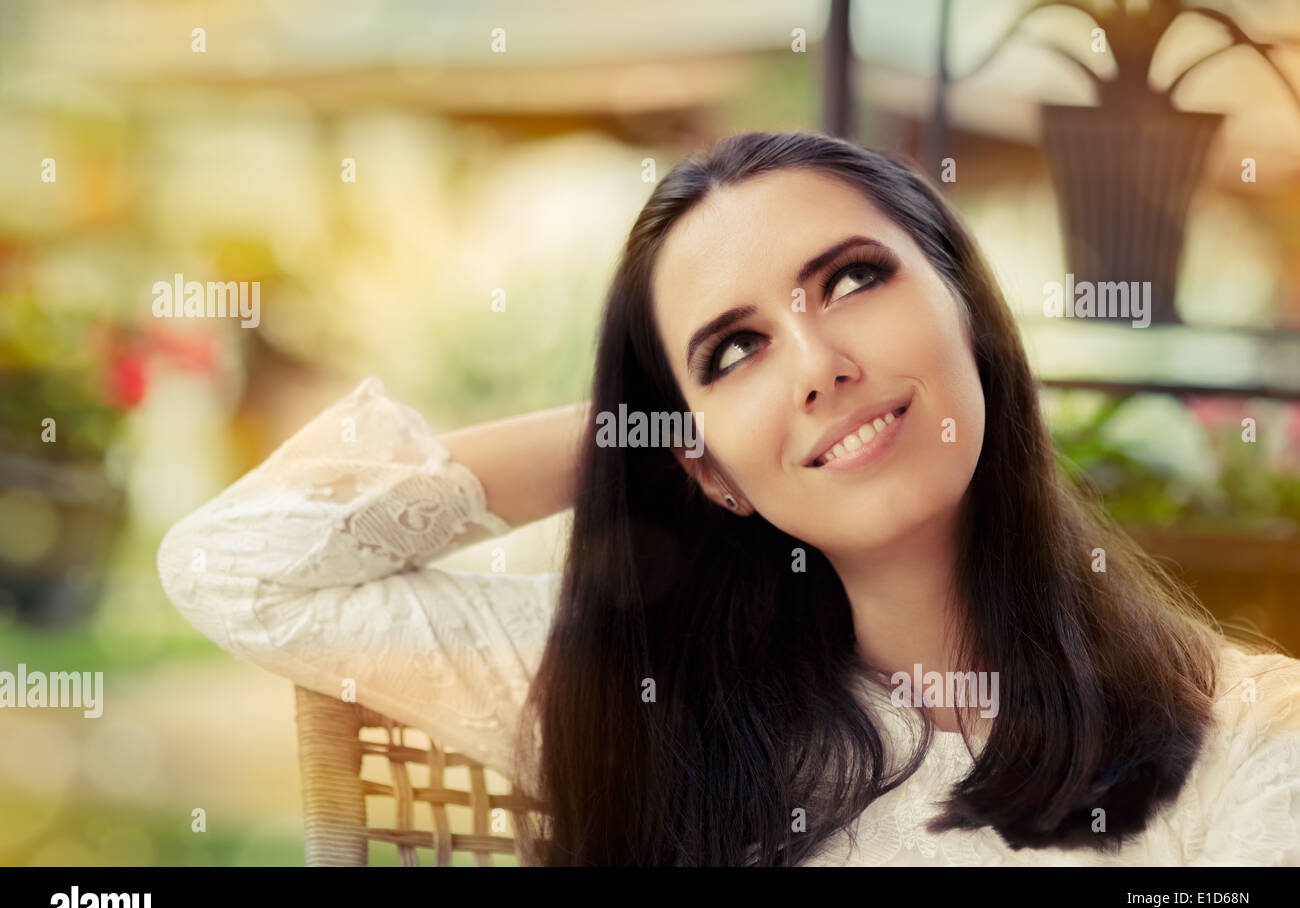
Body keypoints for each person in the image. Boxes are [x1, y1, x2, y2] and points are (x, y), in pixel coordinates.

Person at [157, 130, 1300, 866]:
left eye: (851, 278)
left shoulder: (1246, 738)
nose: (815, 363)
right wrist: (637, 434)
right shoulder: (651, 700)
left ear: (964, 303)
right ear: (701, 465)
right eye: (732, 350)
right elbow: (239, 564)